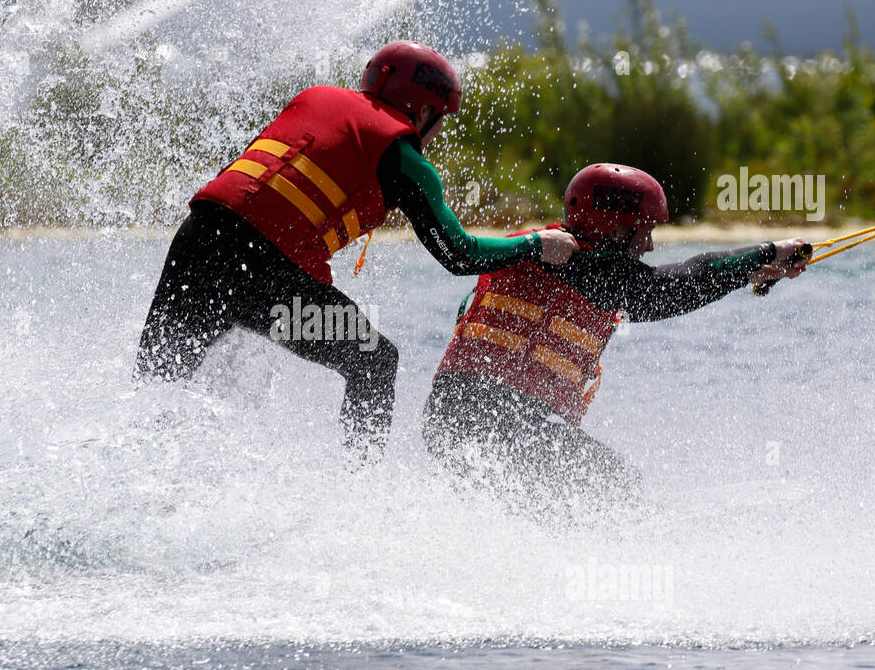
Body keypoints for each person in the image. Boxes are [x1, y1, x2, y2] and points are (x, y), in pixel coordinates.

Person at [135, 40, 577, 451]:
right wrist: (539, 243)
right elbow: (460, 253)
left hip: (197, 237)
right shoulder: (403, 158)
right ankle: (359, 486)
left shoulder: (313, 98)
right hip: (267, 275)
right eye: (439, 120)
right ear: (424, 111)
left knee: (155, 383)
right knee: (375, 361)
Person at [422, 162, 810, 496]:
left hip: (460, 418)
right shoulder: (574, 261)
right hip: (492, 420)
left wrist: (745, 274)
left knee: (589, 489)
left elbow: (668, 288)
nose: (652, 246)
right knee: (616, 486)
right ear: (613, 228)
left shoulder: (556, 259)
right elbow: (670, 288)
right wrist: (766, 251)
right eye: (645, 231)